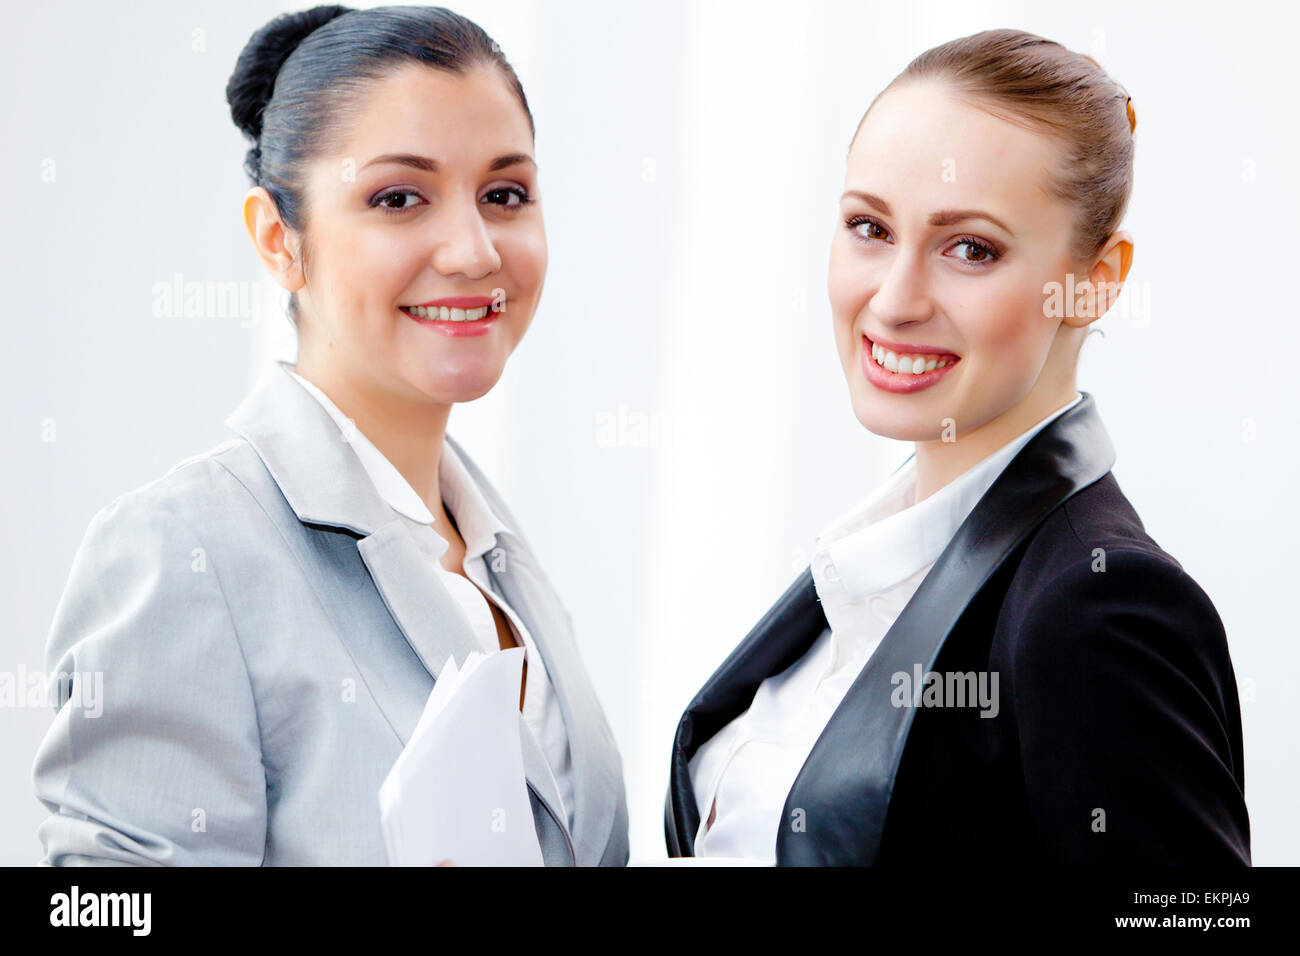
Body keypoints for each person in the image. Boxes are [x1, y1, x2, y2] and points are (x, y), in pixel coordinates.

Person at [32, 4, 628, 866]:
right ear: (280, 241)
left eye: (504, 195)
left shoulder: (504, 563)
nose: (471, 250)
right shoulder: (183, 551)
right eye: (398, 198)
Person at [665, 28, 1250, 866]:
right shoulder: (866, 570)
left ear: (1096, 283)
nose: (895, 300)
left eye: (970, 249)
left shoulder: (1100, 608)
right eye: (869, 227)